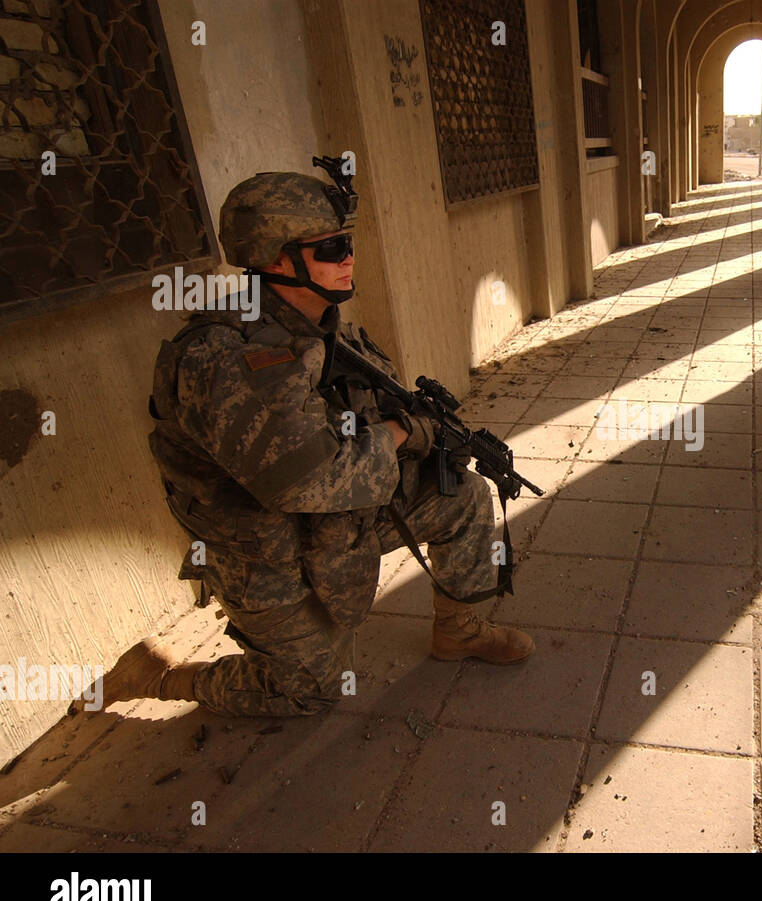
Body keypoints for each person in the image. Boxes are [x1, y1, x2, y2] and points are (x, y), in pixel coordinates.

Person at [93, 162, 533, 716]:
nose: (347, 256)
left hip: (333, 520)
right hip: (263, 549)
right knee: (312, 690)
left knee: (461, 495)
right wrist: (400, 433)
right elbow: (307, 480)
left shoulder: (323, 329)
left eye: (346, 242)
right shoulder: (225, 356)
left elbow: (361, 421)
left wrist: (426, 433)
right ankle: (160, 677)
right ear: (274, 258)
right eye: (328, 249)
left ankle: (460, 631)